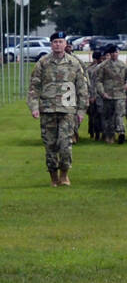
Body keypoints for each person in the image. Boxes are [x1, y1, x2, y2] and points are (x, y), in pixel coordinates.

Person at [27, 31, 88, 185]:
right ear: (51, 44)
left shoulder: (74, 63)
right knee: (50, 146)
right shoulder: (43, 63)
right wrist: (34, 107)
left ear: (65, 44)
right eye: (55, 42)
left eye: (61, 42)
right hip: (48, 110)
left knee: (65, 144)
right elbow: (34, 87)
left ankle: (64, 174)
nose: (58, 45)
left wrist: (81, 110)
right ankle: (53, 176)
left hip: (67, 110)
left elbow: (82, 88)